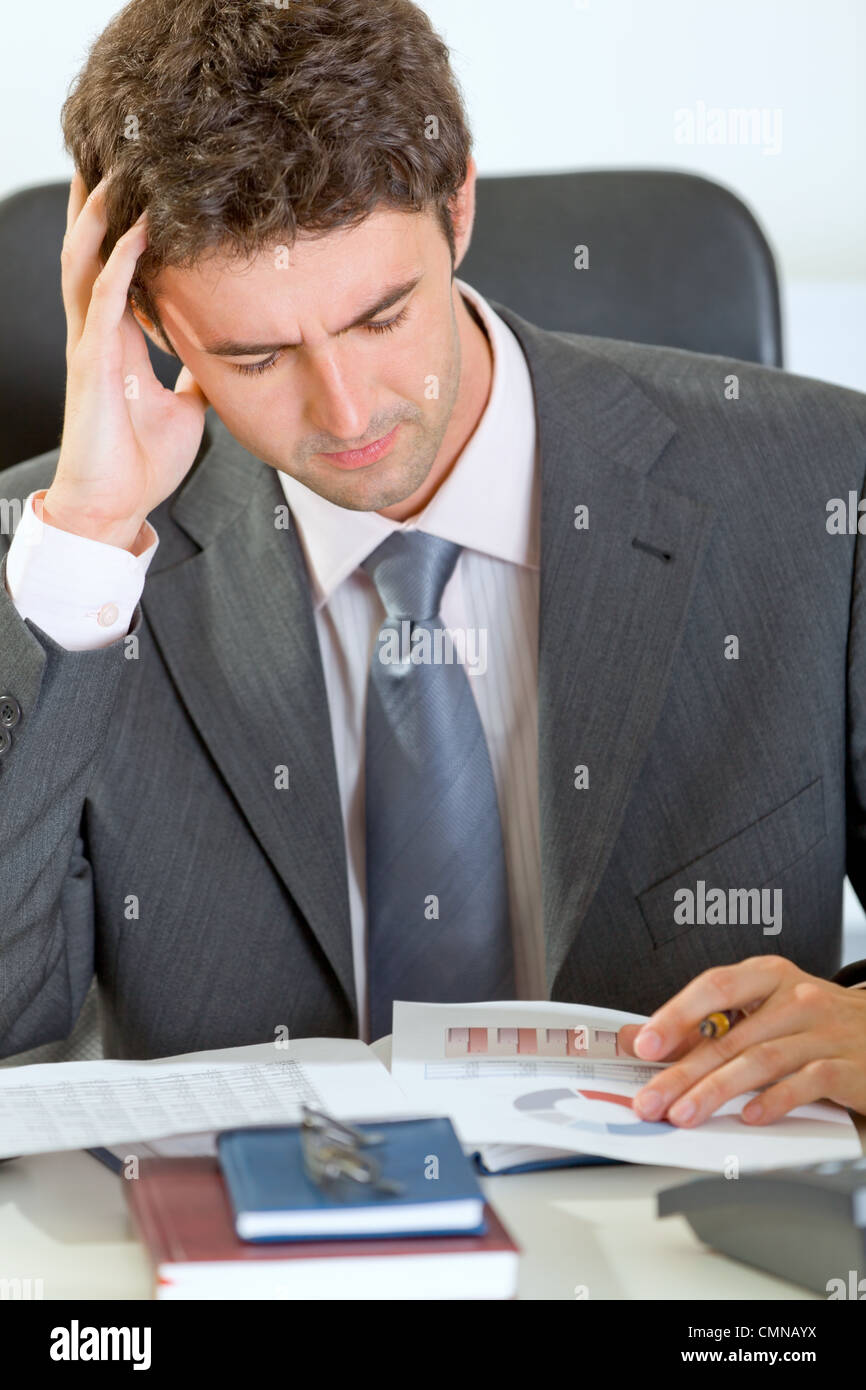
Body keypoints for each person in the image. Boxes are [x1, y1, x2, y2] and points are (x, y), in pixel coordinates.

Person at [1, 0, 865, 1131]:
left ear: (457, 201)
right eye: (255, 356)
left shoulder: (816, 483)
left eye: (382, 315)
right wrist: (88, 542)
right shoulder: (59, 557)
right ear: (151, 321)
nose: (346, 410)